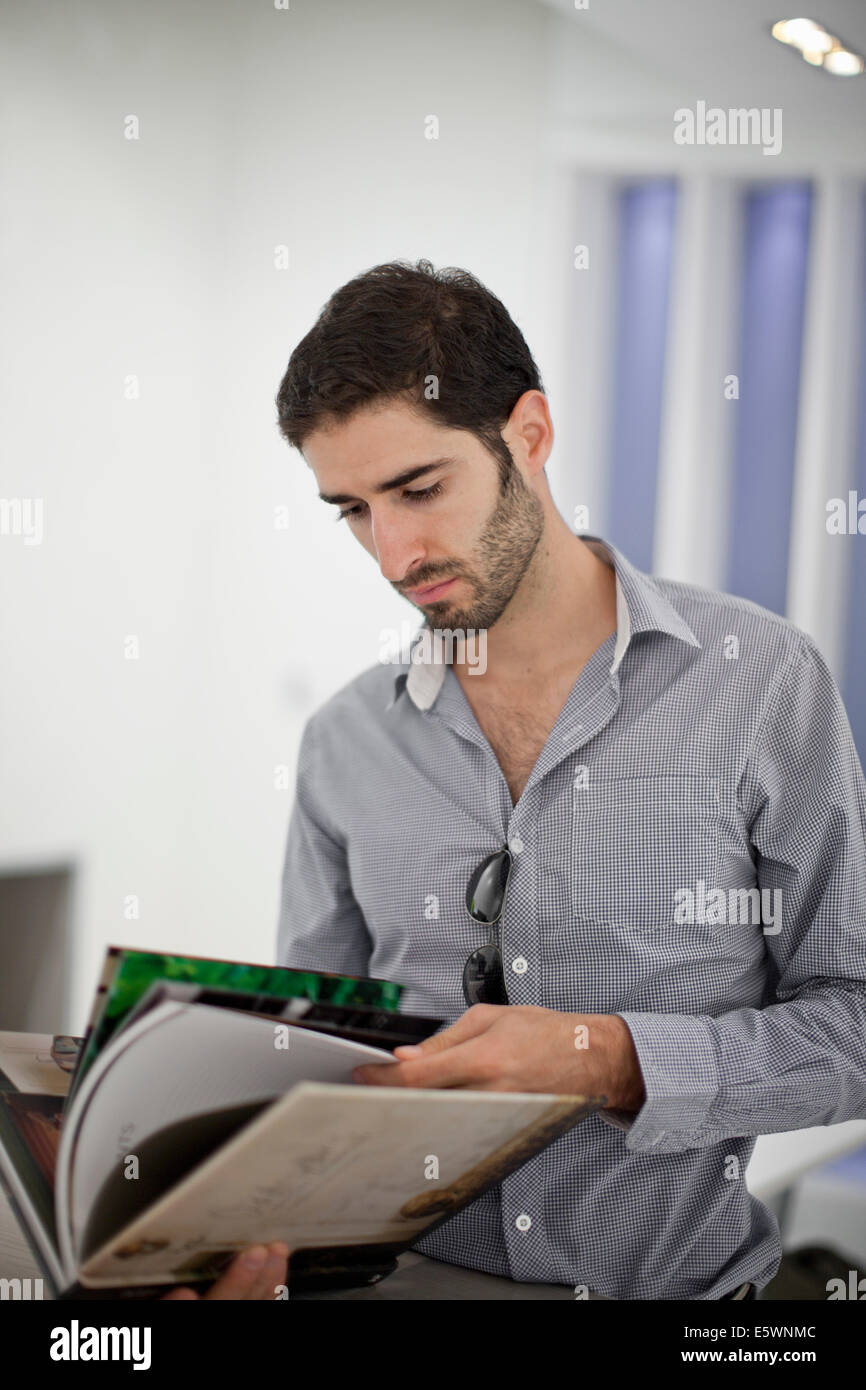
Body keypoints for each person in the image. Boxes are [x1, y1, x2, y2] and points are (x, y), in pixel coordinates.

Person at [217, 257, 864, 1303]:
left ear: (528, 433)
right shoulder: (343, 741)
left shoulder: (761, 683)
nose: (392, 552)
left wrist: (606, 1059)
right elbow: (324, 1058)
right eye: (350, 509)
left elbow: (854, 1023)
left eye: (419, 489)